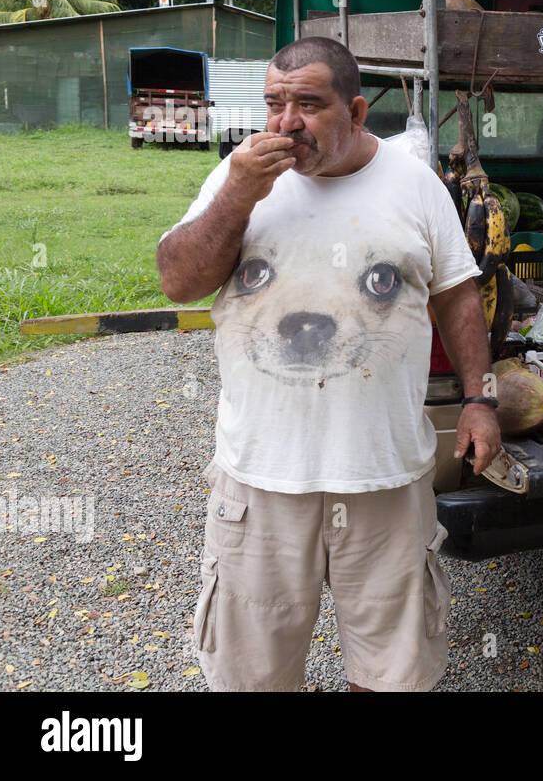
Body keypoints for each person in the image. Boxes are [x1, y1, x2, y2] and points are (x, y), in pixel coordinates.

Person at [157, 36, 501, 692]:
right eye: (274, 104)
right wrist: (237, 193)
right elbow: (179, 281)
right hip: (261, 480)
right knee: (252, 676)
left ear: (357, 111)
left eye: (308, 105)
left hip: (385, 476)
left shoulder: (414, 185)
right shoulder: (237, 181)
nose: (287, 123)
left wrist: (480, 399)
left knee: (392, 673)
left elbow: (457, 294)